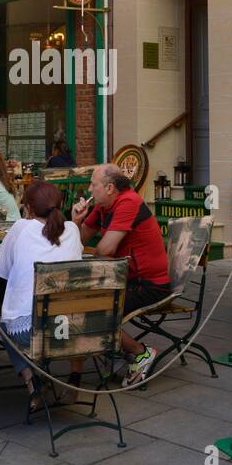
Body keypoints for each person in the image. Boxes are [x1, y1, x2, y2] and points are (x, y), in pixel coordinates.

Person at [70, 163, 170, 387]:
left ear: (110, 187)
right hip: (125, 278)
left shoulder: (128, 202)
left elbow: (106, 250)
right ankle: (113, 353)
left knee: (92, 308)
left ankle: (141, 353)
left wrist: (88, 258)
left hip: (149, 285)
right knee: (78, 300)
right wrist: (77, 220)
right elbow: (80, 240)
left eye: (93, 184)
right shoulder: (103, 205)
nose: (89, 189)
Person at [0, 182, 82, 409]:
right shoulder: (73, 230)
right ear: (61, 204)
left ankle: (32, 382)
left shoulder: (20, 228)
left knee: (4, 322)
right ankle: (75, 380)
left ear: (29, 209)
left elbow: (2, 273)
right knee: (67, 306)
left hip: (32, 333)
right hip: (73, 330)